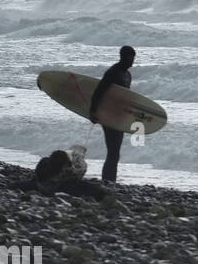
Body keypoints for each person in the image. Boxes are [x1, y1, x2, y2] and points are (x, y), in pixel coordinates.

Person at [89, 45, 135, 185]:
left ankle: (110, 180)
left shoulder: (127, 75)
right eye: (130, 57)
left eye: (133, 57)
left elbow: (124, 98)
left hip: (118, 116)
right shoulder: (113, 72)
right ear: (123, 57)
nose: (132, 61)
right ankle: (107, 180)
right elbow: (99, 91)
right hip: (108, 115)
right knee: (113, 150)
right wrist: (93, 111)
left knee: (115, 151)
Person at [12, 148, 107, 198]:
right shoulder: (68, 184)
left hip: (41, 184)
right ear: (64, 166)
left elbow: (16, 185)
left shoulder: (43, 169)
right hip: (59, 187)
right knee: (96, 190)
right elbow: (98, 191)